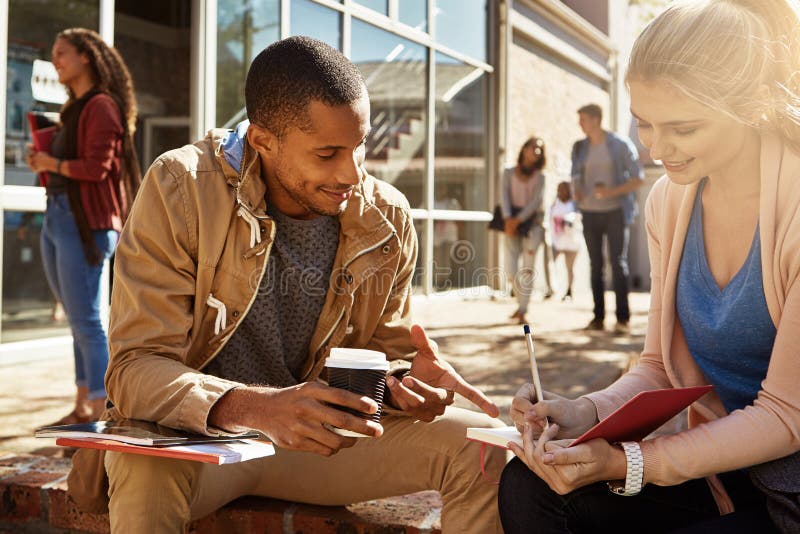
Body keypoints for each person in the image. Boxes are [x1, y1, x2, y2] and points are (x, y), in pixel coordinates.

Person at [65, 36, 507, 533]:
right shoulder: (180, 187)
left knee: (486, 447)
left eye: (359, 146)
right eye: (327, 153)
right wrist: (258, 408)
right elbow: (134, 368)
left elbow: (384, 352)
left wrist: (402, 379)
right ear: (262, 141)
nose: (352, 173)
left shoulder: (385, 217)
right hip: (198, 446)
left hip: (318, 445)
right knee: (143, 464)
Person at [498, 0, 800, 532]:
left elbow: (786, 415)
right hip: (723, 477)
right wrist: (585, 411)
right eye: (644, 124)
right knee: (530, 485)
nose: (657, 149)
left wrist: (630, 462)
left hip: (790, 491)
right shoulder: (670, 200)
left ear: (751, 107)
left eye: (683, 127)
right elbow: (660, 366)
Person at [24, 28, 141, 424]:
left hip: (85, 224)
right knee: (78, 322)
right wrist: (44, 160)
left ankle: (104, 411)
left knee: (88, 321)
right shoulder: (74, 109)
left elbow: (97, 168)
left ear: (85, 56)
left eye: (62, 53)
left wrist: (52, 163)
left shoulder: (102, 105)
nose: (55, 60)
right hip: (59, 215)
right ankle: (83, 407)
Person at [571, 103, 643, 334]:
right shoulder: (579, 147)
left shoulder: (620, 144)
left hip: (616, 211)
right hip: (589, 212)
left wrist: (611, 192)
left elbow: (638, 178)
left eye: (583, 119)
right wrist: (577, 192)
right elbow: (575, 176)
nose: (580, 124)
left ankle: (623, 319)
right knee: (596, 266)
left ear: (596, 120)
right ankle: (598, 318)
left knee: (618, 263)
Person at [502, 137, 551, 324]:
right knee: (510, 270)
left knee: (528, 269)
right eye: (533, 147)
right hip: (510, 223)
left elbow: (536, 202)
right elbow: (504, 195)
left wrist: (519, 219)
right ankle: (520, 302)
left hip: (533, 225)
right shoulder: (508, 172)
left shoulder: (541, 177)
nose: (536, 151)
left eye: (540, 149)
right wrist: (509, 219)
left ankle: (523, 309)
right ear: (524, 149)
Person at [549, 181, 581, 301]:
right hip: (556, 241)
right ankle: (551, 288)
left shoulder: (574, 204)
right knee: (550, 264)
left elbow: (578, 218)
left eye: (563, 189)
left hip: (572, 241)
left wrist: (568, 221)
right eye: (559, 189)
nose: (561, 192)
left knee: (570, 268)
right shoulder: (555, 204)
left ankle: (569, 291)